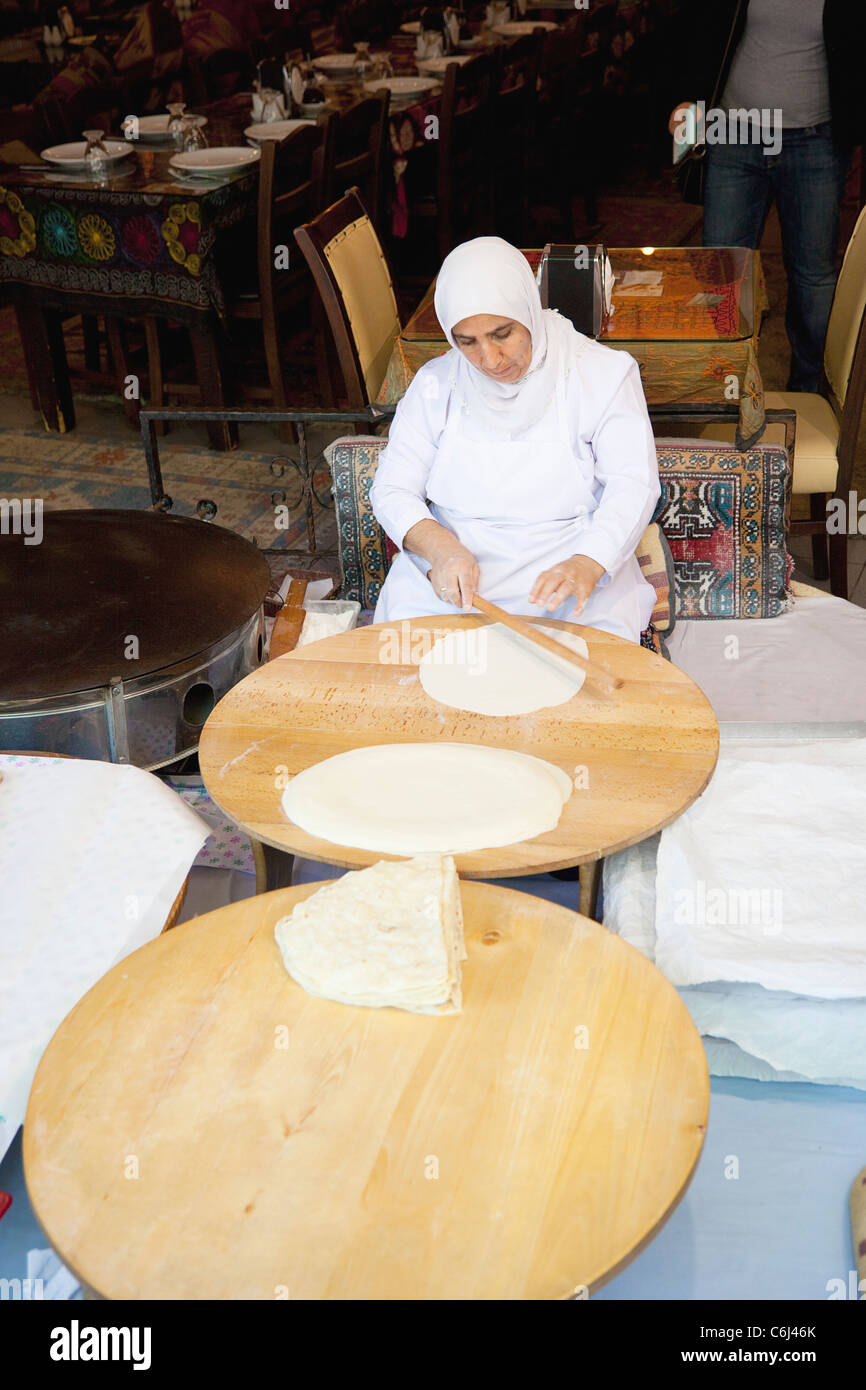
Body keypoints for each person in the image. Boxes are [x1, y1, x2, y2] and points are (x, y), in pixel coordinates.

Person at [370, 237, 660, 643]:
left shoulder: (602, 374)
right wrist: (439, 549)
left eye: (502, 334)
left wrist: (589, 562)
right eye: (466, 342)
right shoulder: (436, 384)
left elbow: (634, 485)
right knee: (408, 665)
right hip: (455, 568)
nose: (490, 360)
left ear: (527, 310)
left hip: (565, 562)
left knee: (582, 674)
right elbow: (392, 488)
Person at [668, 0, 865, 392]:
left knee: (813, 278)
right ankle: (721, 386)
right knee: (721, 271)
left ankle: (813, 393)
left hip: (816, 142)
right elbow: (697, 28)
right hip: (734, 136)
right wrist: (687, 99)